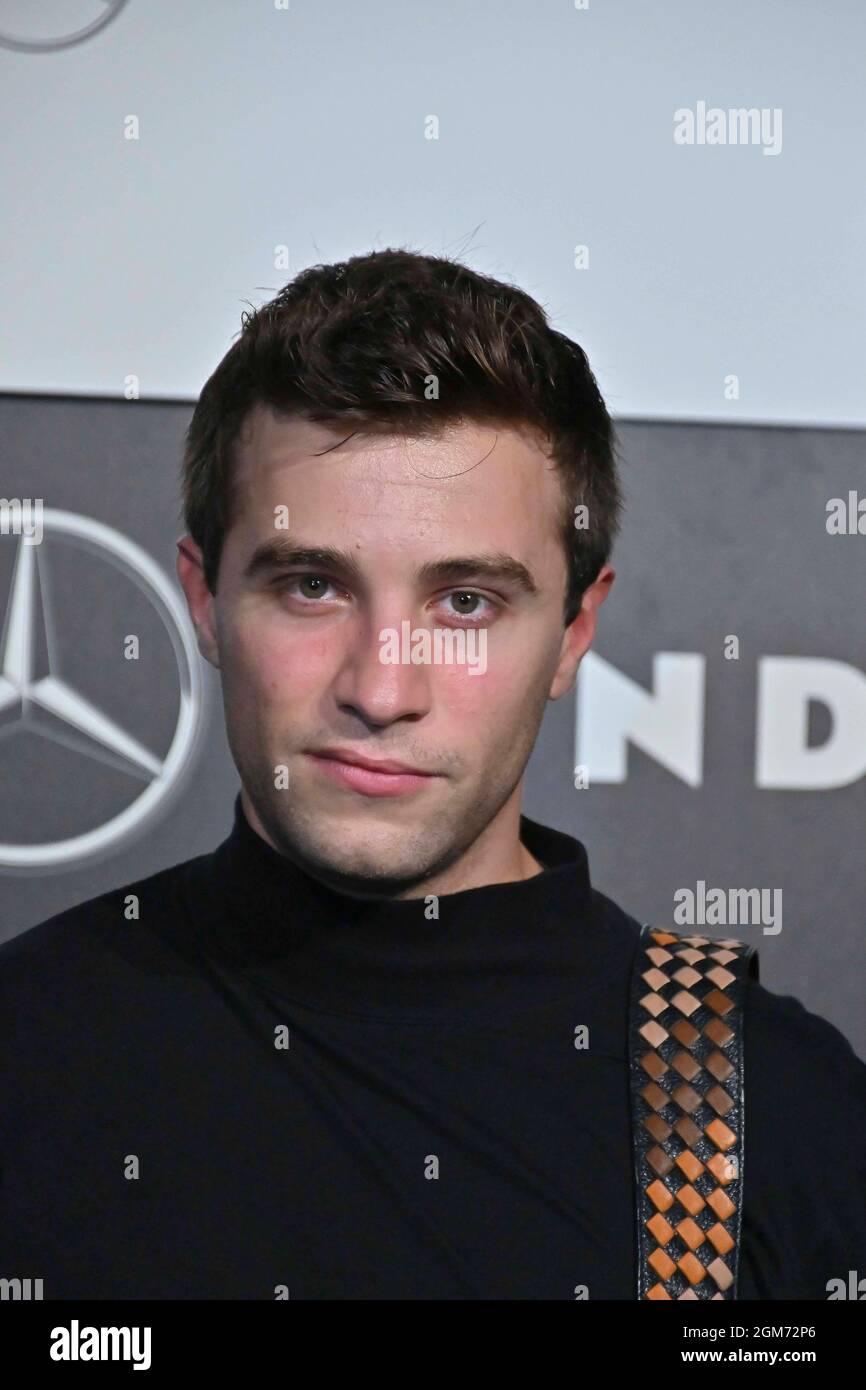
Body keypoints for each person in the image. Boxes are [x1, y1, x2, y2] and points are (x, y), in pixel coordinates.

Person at [1, 249, 863, 1300]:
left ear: (571, 633)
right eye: (312, 584)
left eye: (465, 604)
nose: (381, 687)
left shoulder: (766, 1109)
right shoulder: (26, 1047)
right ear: (203, 601)